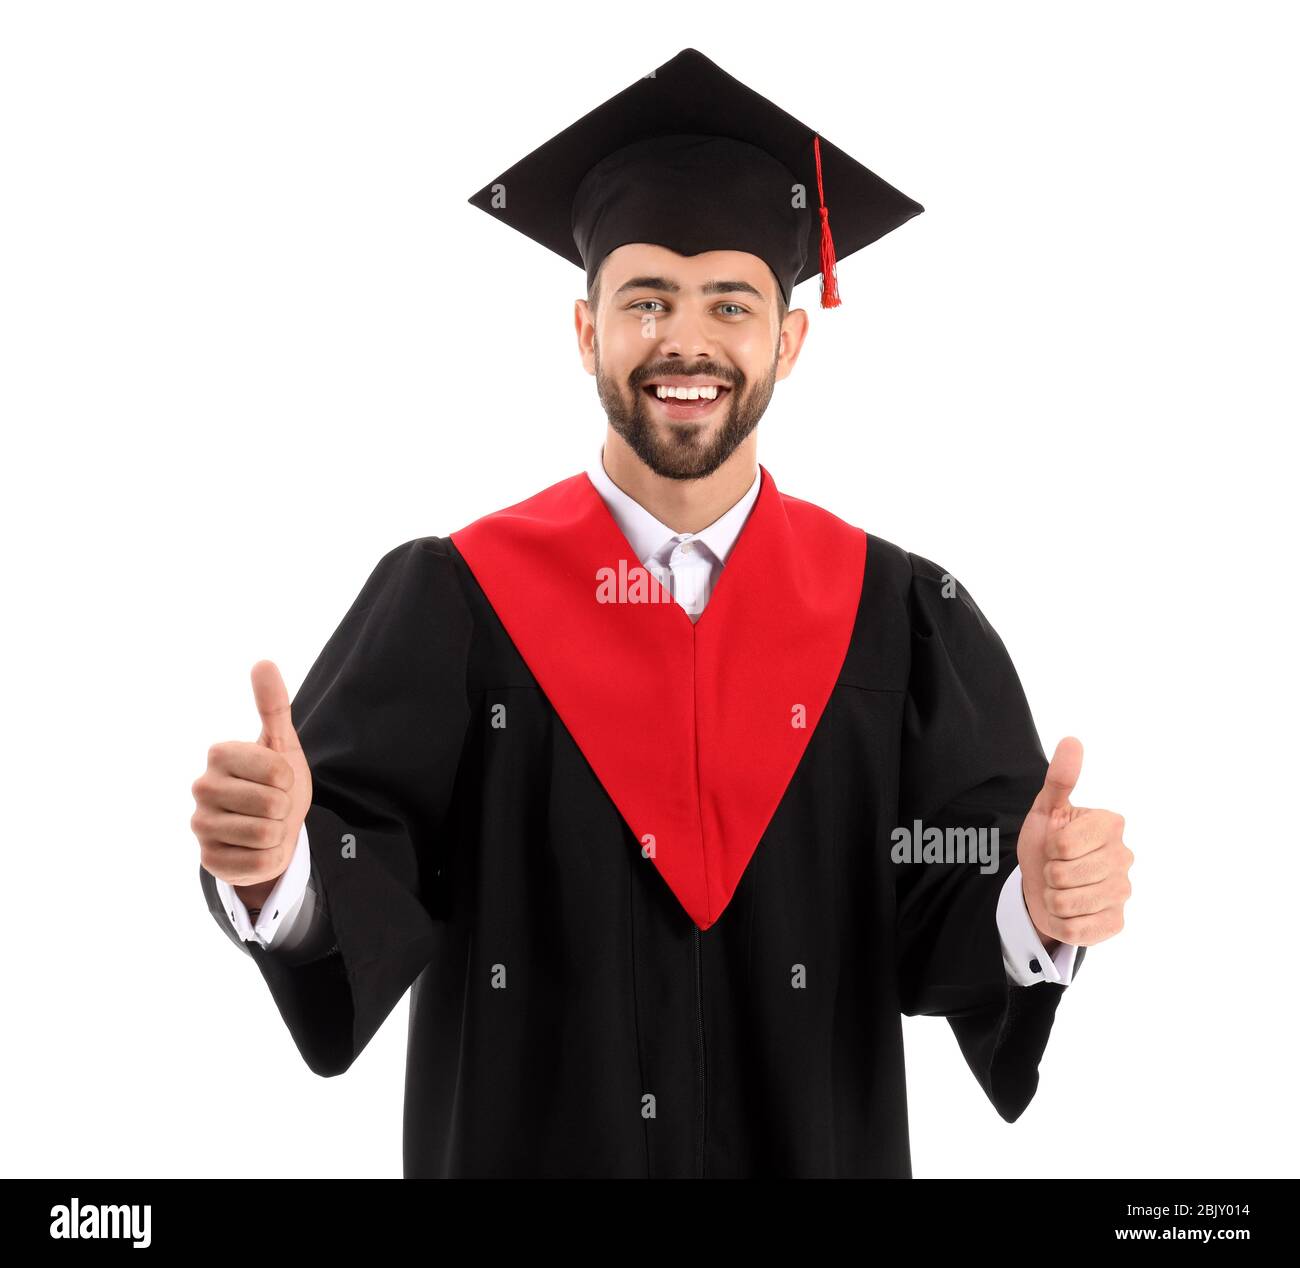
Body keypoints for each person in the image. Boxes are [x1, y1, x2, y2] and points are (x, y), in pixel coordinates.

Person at [191, 48, 1133, 1178]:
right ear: (586, 331)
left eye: (731, 303)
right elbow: (347, 864)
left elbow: (948, 902)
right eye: (646, 301)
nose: (686, 341)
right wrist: (277, 865)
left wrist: (1035, 901)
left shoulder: (897, 615)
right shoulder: (455, 599)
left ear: (786, 341)